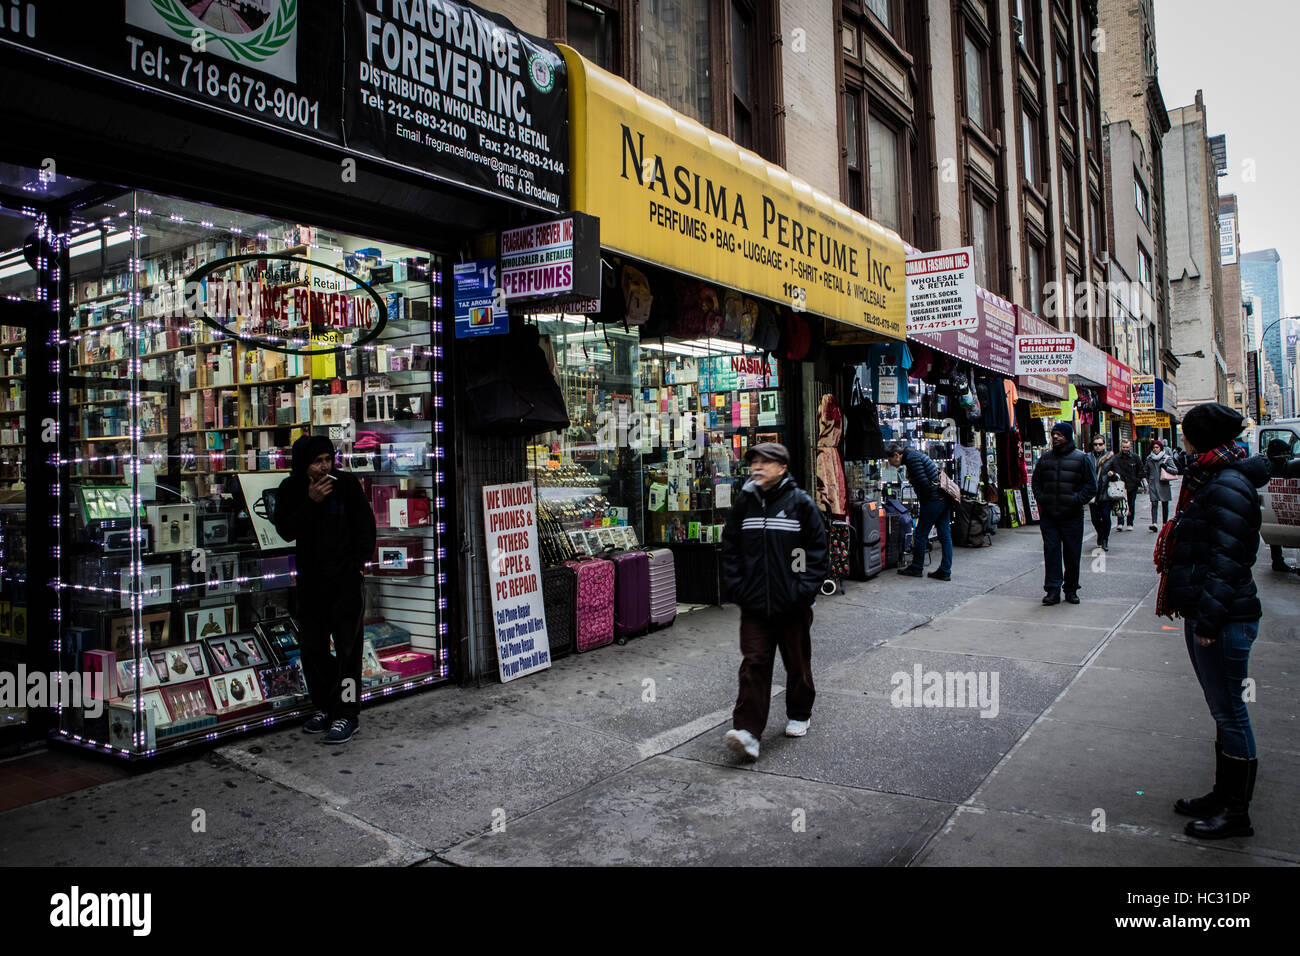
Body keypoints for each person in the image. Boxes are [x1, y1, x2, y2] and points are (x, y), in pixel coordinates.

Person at [1154, 403, 1270, 839]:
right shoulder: (1213, 477)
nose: (1182, 441)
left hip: (1223, 617)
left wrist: (1207, 621)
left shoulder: (1226, 484)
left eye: (1187, 434)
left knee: (1231, 712)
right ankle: (1224, 794)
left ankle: (1236, 812)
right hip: (1214, 612)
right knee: (1223, 710)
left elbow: (1229, 562)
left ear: (1200, 439)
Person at [720, 443, 827, 762]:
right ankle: (748, 732)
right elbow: (731, 545)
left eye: (765, 462)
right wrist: (737, 586)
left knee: (797, 662)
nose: (757, 467)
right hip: (754, 603)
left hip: (791, 603)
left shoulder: (800, 503)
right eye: (754, 461)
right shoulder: (745, 502)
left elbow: (815, 551)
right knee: (754, 663)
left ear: (782, 468)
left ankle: (800, 711)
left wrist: (802, 590)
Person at [273, 435, 376, 745]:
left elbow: (365, 527)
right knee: (312, 648)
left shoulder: (346, 486)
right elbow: (286, 530)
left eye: (328, 460)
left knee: (348, 650)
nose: (323, 467)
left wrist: (358, 566)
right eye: (317, 461)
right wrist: (310, 502)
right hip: (311, 582)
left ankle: (347, 713)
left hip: (345, 581)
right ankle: (325, 705)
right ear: (304, 463)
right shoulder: (291, 489)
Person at [1030, 422, 1096, 605]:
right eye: (1054, 434)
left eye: (1059, 434)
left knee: (1072, 554)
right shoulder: (1045, 459)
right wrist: (1042, 498)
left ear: (1068, 436)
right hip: (1050, 516)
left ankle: (1071, 589)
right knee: (1051, 552)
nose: (1056, 437)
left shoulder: (1081, 458)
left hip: (1072, 516)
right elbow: (1036, 482)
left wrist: (1076, 500)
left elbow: (1092, 486)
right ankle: (1052, 590)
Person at [884, 440, 954, 581]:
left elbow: (924, 483)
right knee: (945, 534)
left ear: (897, 455)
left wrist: (926, 502)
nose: (890, 464)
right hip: (942, 498)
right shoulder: (913, 455)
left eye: (890, 460)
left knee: (920, 534)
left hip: (933, 500)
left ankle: (916, 567)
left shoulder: (911, 459)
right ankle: (945, 570)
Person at [1264, 439, 1297, 572]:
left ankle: (1277, 561)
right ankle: (1277, 561)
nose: (1286, 456)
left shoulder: (1270, 465)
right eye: (1283, 453)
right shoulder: (1272, 466)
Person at [1087, 436, 1118, 551]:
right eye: (1095, 444)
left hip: (1105, 492)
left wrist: (1112, 475)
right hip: (1092, 493)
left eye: (1100, 444)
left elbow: (1118, 474)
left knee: (1105, 517)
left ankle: (1105, 539)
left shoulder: (1110, 457)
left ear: (1104, 445)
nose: (1098, 446)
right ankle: (1100, 533)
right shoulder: (1088, 457)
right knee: (1095, 519)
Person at [1111, 438, 1143, 531]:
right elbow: (1113, 468)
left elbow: (1141, 469)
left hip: (1132, 485)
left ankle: (1130, 523)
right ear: (1121, 447)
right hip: (1120, 485)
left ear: (1130, 447)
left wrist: (1137, 480)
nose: (1125, 449)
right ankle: (1120, 523)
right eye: (1124, 447)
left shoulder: (1135, 457)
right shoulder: (1116, 458)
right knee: (1120, 503)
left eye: (1127, 447)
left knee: (1131, 504)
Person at [1145, 438, 1177, 531]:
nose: (1155, 449)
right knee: (1154, 503)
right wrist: (1147, 480)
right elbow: (1146, 470)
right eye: (1153, 447)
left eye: (1157, 447)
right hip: (1153, 483)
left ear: (1161, 448)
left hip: (1163, 483)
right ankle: (1154, 523)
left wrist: (1166, 467)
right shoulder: (1149, 459)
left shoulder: (1166, 458)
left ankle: (1164, 523)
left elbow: (1175, 470)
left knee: (1164, 503)